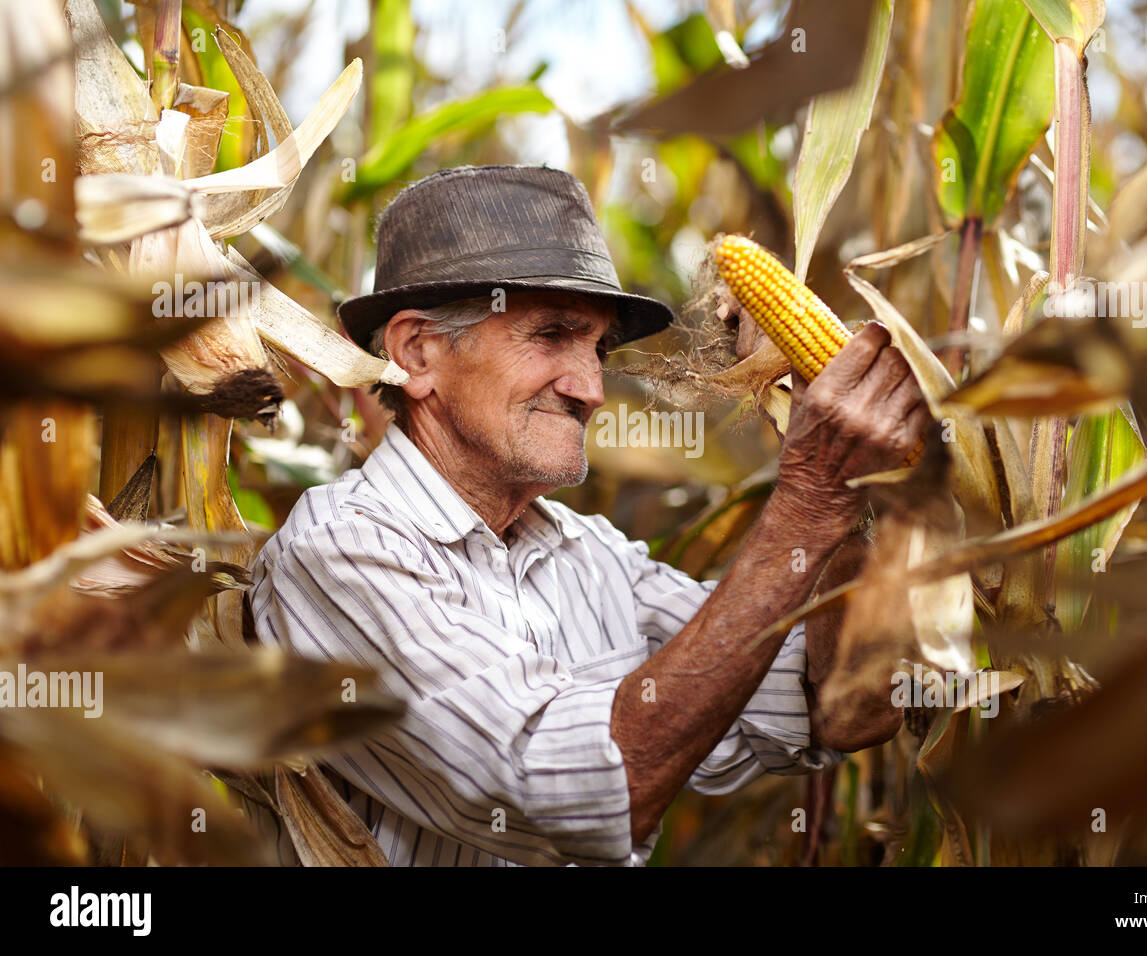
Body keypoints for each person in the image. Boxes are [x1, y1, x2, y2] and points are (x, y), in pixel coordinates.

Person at [246, 165, 929, 866]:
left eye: (597, 348)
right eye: (551, 336)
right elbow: (582, 791)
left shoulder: (593, 555)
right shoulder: (340, 552)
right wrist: (810, 499)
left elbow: (842, 705)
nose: (591, 389)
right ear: (418, 351)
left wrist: (859, 490)